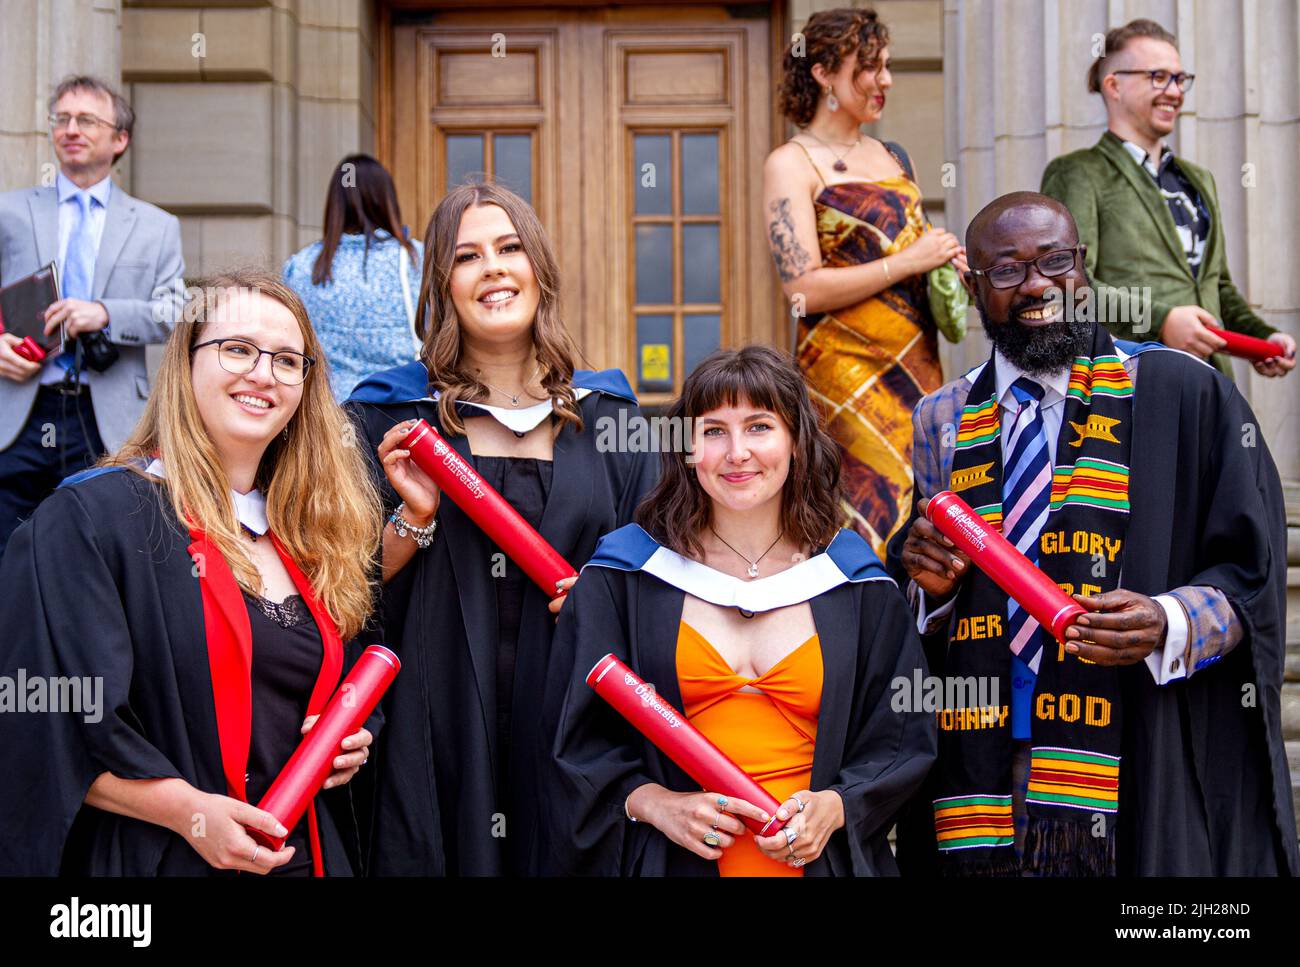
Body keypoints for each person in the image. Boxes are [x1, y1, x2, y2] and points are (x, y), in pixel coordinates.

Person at [886, 191, 1297, 876]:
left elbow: (1252, 572)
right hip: (987, 761)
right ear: (972, 284)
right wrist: (929, 591)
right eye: (1009, 270)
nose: (1039, 285)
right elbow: (922, 598)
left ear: (1085, 264)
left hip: (1138, 742)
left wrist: (1167, 619)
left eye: (1056, 261)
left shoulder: (1180, 392)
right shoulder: (941, 416)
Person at [0, 270, 383, 875]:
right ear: (185, 363)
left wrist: (348, 741)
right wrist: (188, 813)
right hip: (158, 862)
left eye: (288, 360)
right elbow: (37, 727)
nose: (263, 373)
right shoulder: (92, 520)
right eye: (237, 349)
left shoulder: (312, 535)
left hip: (303, 858)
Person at [345, 181, 659, 875]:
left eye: (510, 248)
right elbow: (337, 589)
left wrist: (604, 602)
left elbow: (658, 582)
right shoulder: (389, 419)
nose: (493, 267)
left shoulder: (607, 419)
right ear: (442, 285)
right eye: (467, 256)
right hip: (433, 720)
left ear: (538, 269)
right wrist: (412, 517)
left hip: (572, 715)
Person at [543, 345, 936, 876]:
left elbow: (901, 736)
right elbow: (574, 738)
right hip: (673, 863)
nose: (737, 453)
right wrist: (654, 801)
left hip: (815, 864)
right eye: (713, 432)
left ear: (795, 441)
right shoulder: (626, 575)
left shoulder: (853, 581)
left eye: (758, 427)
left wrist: (837, 805)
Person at [762, 7, 966, 559]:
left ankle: (916, 635)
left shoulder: (892, 155)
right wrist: (907, 262)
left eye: (888, 66)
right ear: (825, 72)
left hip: (916, 361)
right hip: (842, 369)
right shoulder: (792, 161)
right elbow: (802, 287)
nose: (886, 81)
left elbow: (915, 251)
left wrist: (948, 261)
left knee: (924, 505)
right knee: (863, 509)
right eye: (869, 68)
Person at [1041, 18, 1295, 380]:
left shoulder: (1198, 179)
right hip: (1127, 386)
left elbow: (1216, 288)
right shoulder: (1078, 173)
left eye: (1179, 79)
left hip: (1209, 385)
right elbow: (1068, 290)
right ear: (1114, 85)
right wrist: (1162, 321)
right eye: (1158, 77)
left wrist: (1262, 337)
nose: (1175, 91)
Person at [0, 75, 185, 558]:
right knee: (8, 549)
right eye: (61, 118)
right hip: (19, 408)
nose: (70, 129)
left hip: (108, 415)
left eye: (86, 119)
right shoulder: (8, 211)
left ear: (119, 138)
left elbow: (174, 311)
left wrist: (104, 312)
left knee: (100, 550)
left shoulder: (156, 226)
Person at [283, 154, 424, 400]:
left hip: (328, 413)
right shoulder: (416, 259)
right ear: (385, 200)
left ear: (335, 203)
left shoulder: (301, 267)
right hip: (400, 409)